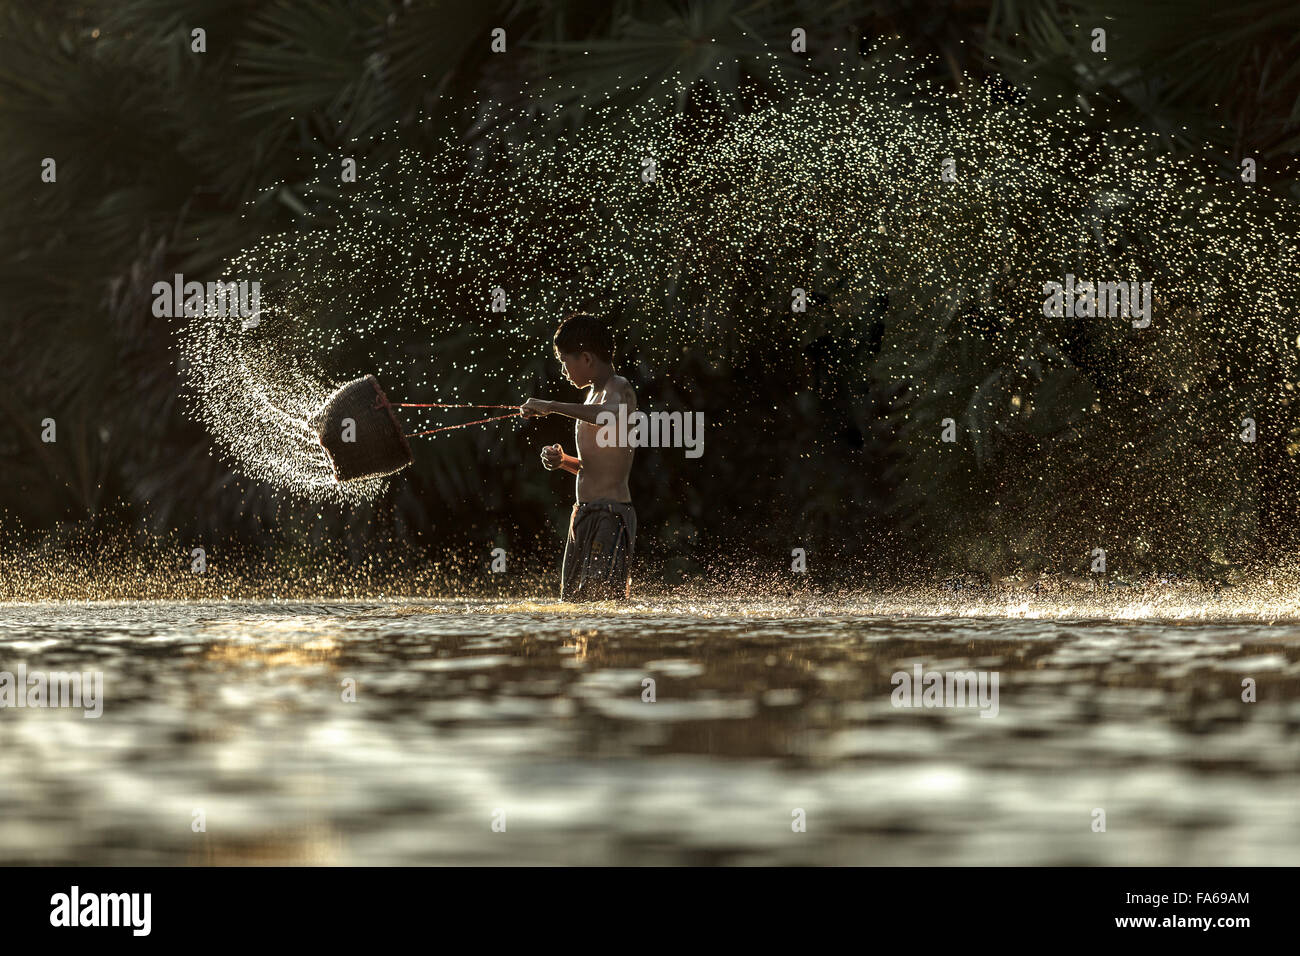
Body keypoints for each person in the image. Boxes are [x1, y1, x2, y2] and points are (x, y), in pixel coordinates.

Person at [521, 315, 637, 601]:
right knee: (572, 600)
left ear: (586, 358)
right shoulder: (590, 397)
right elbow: (593, 467)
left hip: (610, 514)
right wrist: (563, 461)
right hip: (582, 513)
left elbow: (608, 416)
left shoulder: (618, 387)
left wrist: (550, 406)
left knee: (600, 598)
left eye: (564, 361)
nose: (563, 370)